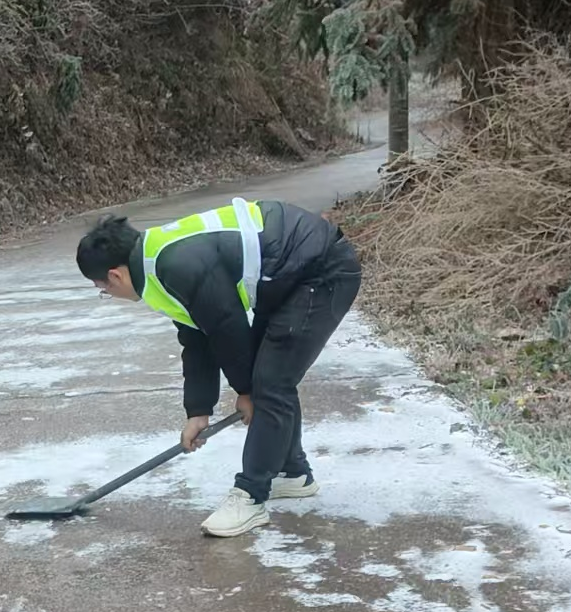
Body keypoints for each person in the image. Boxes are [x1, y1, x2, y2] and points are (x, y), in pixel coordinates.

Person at [74, 198, 362, 537]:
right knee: (268, 376)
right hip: (288, 273)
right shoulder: (152, 265)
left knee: (270, 383)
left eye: (103, 291)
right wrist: (198, 410)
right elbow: (197, 335)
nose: (108, 294)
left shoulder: (174, 264)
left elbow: (227, 326)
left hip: (319, 268)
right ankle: (294, 473)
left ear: (114, 275)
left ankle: (251, 497)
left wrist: (246, 391)